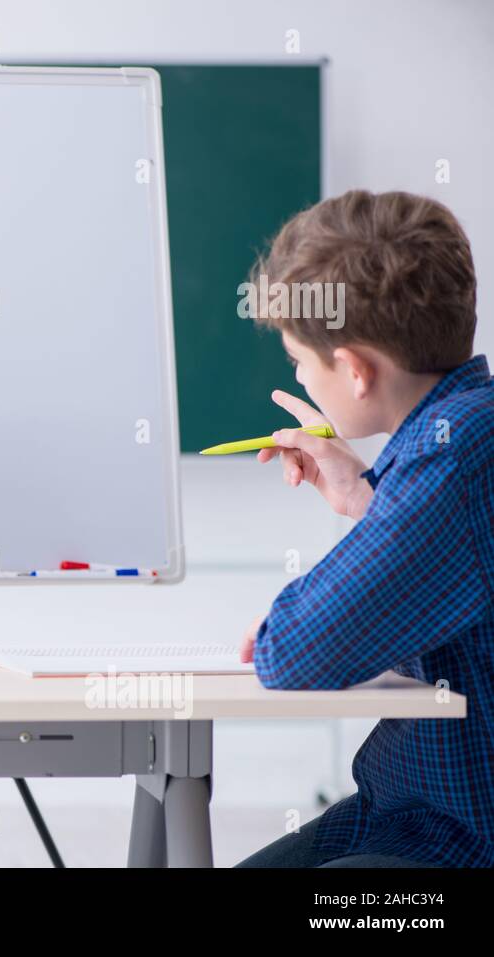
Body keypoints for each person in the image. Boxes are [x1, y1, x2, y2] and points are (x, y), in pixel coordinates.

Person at [234, 190, 491, 868]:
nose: (297, 374)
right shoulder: (462, 429)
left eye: (298, 359)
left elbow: (293, 652)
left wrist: (273, 630)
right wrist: (369, 499)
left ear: (353, 369)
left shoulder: (451, 456)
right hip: (408, 813)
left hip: (456, 840)